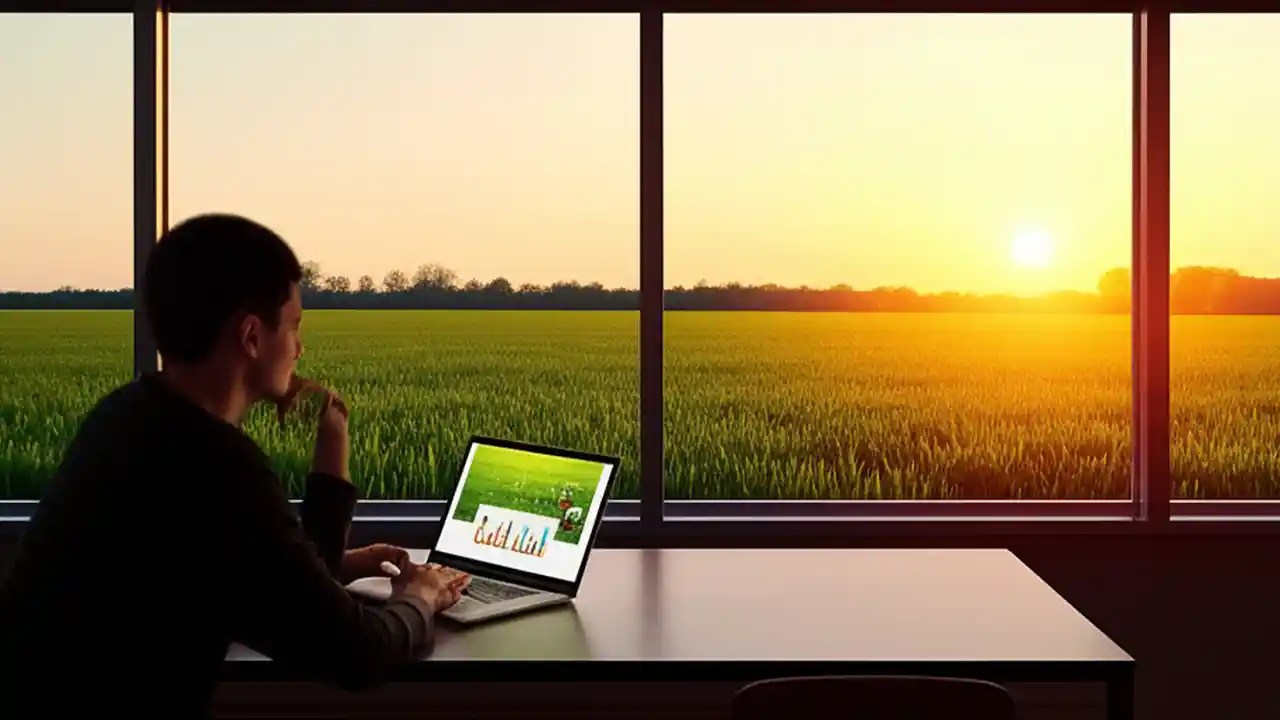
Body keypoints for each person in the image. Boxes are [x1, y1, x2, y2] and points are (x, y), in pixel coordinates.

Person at [0, 213, 470, 717]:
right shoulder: (217, 467)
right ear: (251, 336)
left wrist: (331, 450)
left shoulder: (129, 415)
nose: (299, 348)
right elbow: (356, 654)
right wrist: (423, 595)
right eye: (293, 326)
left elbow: (255, 579)